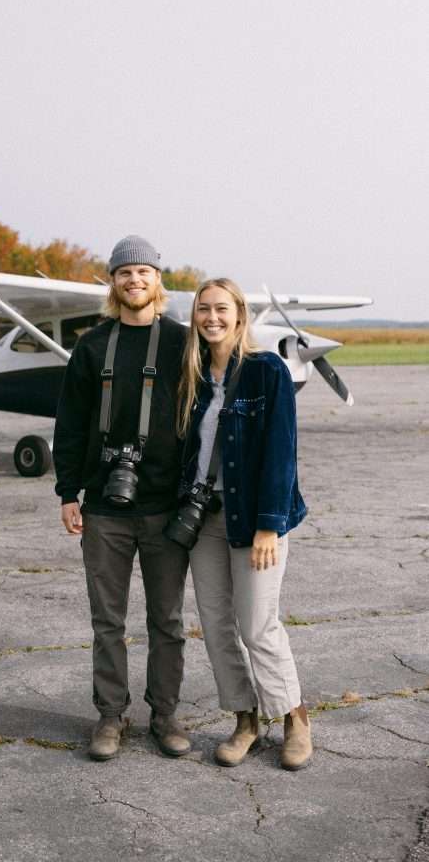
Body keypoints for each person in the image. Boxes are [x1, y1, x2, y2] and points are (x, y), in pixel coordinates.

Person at [53, 235, 190, 762]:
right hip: (105, 509)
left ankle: (166, 715)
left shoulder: (182, 341)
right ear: (112, 283)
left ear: (159, 281)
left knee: (168, 621)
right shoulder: (91, 346)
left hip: (164, 508)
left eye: (144, 272)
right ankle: (110, 717)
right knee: (107, 621)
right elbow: (69, 422)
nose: (135, 281)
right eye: (124, 273)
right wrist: (68, 491)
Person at [176, 277, 312, 770]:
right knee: (215, 626)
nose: (211, 317)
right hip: (204, 521)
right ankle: (245, 719)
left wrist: (269, 526)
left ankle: (294, 717)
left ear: (238, 316)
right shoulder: (190, 377)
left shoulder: (265, 371)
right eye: (202, 309)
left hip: (254, 520)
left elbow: (282, 451)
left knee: (257, 625)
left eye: (221, 309)